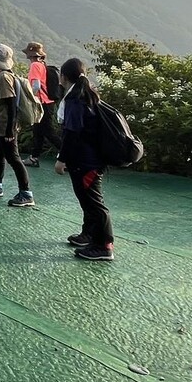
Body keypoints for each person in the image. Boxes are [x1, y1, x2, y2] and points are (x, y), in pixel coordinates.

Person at [55, 57, 115, 262]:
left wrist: (61, 159)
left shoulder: (75, 100)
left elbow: (72, 132)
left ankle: (104, 246)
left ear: (63, 77)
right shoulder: (86, 95)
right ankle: (89, 235)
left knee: (94, 203)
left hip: (85, 161)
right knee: (87, 200)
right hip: (91, 159)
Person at [0, 43, 35, 207]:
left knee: (13, 158)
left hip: (5, 127)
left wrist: (10, 129)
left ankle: (26, 193)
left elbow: (11, 104)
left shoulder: (4, 77)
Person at [22, 41, 59, 167]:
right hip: (48, 102)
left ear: (30, 54)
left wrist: (29, 98)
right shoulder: (43, 65)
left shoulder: (35, 66)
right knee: (38, 131)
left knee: (48, 132)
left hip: (42, 103)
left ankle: (69, 156)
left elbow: (36, 86)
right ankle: (34, 157)